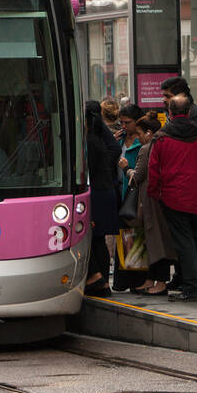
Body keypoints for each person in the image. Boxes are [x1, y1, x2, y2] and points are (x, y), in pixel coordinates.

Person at [147, 93, 197, 302]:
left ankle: (193, 286)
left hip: (173, 198)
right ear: (189, 112)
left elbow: (154, 171)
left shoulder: (161, 137)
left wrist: (155, 194)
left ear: (170, 112)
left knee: (184, 242)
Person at [130, 113, 175, 295]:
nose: (137, 138)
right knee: (155, 241)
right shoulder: (164, 144)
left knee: (155, 241)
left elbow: (138, 176)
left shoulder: (146, 149)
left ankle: (160, 282)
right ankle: (151, 279)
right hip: (162, 199)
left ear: (149, 133)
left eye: (139, 133)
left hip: (149, 201)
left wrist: (126, 168)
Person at [84, 100, 121, 295]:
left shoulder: (90, 138)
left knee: (91, 237)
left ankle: (96, 276)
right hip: (104, 189)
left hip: (97, 192)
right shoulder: (99, 133)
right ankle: (103, 282)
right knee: (98, 239)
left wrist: (102, 168)